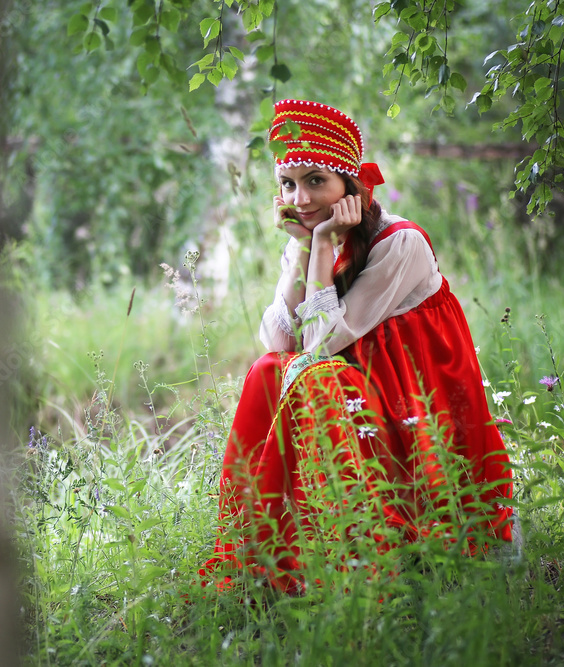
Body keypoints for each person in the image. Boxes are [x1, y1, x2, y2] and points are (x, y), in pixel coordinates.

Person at [201, 99, 513, 593]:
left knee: (316, 374)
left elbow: (320, 346)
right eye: (288, 183)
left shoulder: (400, 244)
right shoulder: (308, 235)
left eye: (315, 181)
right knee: (267, 369)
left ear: (351, 185)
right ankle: (259, 549)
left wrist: (321, 247)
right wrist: (305, 249)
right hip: (354, 388)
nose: (300, 198)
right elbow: (282, 342)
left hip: (411, 405)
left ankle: (368, 556)